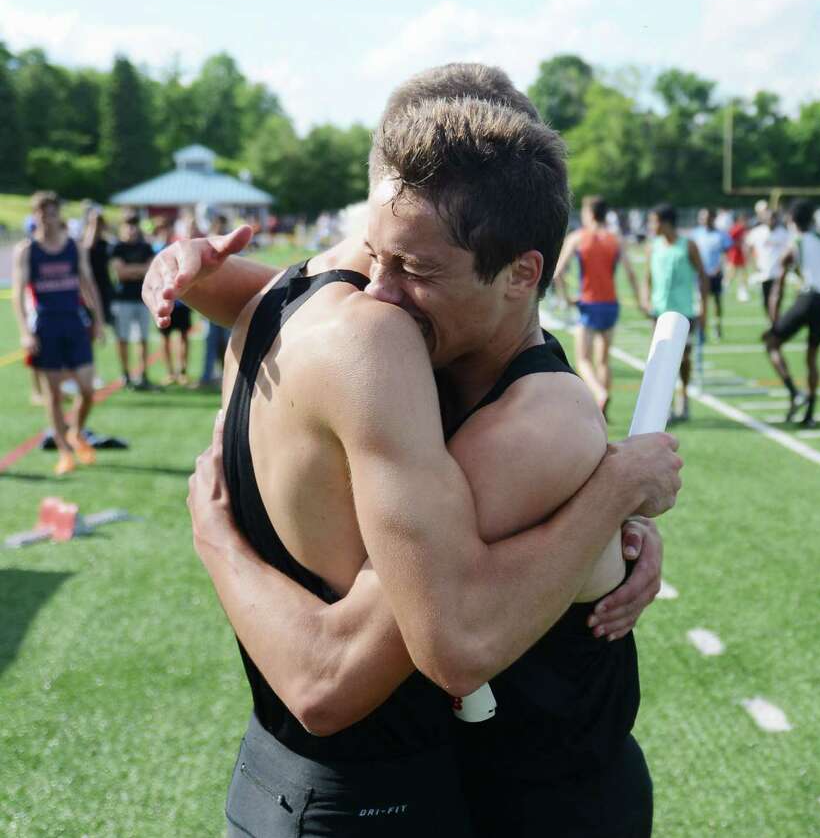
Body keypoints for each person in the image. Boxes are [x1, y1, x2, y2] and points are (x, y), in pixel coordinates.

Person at [146, 66, 679, 836]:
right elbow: (318, 297)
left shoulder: (541, 417)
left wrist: (614, 496)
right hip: (393, 789)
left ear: (522, 273)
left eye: (415, 269)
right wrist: (194, 270)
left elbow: (401, 658)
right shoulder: (397, 320)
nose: (376, 294)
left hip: (551, 803)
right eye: (376, 252)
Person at [10, 191, 103, 475]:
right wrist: (26, 332)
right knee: (52, 393)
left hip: (74, 323)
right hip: (46, 325)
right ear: (35, 215)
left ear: (58, 214)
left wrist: (98, 320)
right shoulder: (27, 250)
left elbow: (88, 283)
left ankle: (76, 432)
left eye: (51, 211)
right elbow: (17, 295)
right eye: (41, 212)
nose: (47, 217)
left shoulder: (73, 246)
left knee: (87, 389)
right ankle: (64, 450)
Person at [552, 195, 641, 415]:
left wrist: (565, 298)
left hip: (589, 304)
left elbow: (558, 272)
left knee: (583, 359)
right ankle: (603, 411)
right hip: (611, 304)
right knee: (603, 360)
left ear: (589, 213)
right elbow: (631, 274)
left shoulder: (579, 238)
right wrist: (640, 300)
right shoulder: (615, 239)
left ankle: (599, 393)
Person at [763, 200, 820, 427]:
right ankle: (810, 413)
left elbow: (778, 283)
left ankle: (794, 392)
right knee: (812, 357)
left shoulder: (795, 241)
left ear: (792, 220)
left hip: (808, 297)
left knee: (771, 342)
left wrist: (773, 318)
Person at [645, 203, 709, 423]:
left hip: (684, 313)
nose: (651, 226)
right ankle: (666, 406)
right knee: (660, 361)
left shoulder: (687, 245)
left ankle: (684, 400)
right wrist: (646, 300)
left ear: (665, 222)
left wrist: (704, 309)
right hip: (659, 312)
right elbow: (648, 275)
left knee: (684, 359)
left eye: (654, 221)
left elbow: (702, 276)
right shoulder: (653, 246)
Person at [111, 212, 156, 389]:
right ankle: (126, 374)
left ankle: (143, 375)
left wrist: (131, 270)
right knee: (122, 338)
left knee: (143, 338)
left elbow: (150, 269)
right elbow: (120, 273)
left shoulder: (146, 247)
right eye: (128, 225)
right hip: (123, 300)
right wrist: (139, 270)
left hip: (143, 299)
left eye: (134, 225)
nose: (131, 229)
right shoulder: (117, 247)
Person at [152, 220, 193, 385]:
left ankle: (182, 371)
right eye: (162, 230)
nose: (165, 232)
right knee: (165, 338)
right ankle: (169, 372)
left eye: (167, 229)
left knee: (183, 336)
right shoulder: (154, 249)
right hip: (163, 302)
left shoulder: (179, 248)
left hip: (181, 301)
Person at [199, 215, 233, 388]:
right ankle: (206, 377)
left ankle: (229, 378)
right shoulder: (206, 247)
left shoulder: (234, 248)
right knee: (210, 343)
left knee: (230, 345)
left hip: (228, 304)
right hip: (211, 305)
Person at [690, 208, 732, 339]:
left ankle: (717, 327)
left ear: (713, 218)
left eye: (707, 217)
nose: (704, 220)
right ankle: (702, 330)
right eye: (702, 218)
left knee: (717, 302)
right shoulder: (695, 234)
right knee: (701, 302)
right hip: (701, 275)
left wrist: (719, 268)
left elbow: (727, 253)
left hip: (716, 274)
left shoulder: (721, 234)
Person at [744, 201, 791, 315]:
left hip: (779, 272)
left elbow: (791, 249)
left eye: (773, 218)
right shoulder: (758, 232)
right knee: (766, 300)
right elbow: (747, 246)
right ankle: (772, 321)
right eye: (769, 219)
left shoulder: (783, 233)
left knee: (777, 299)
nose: (771, 221)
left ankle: (775, 322)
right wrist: (753, 264)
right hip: (764, 271)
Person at [725, 211, 750, 302]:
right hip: (734, 254)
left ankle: (742, 291)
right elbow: (728, 239)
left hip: (741, 254)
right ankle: (725, 287)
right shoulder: (736, 228)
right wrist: (738, 244)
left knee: (743, 274)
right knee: (731, 273)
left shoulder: (744, 229)